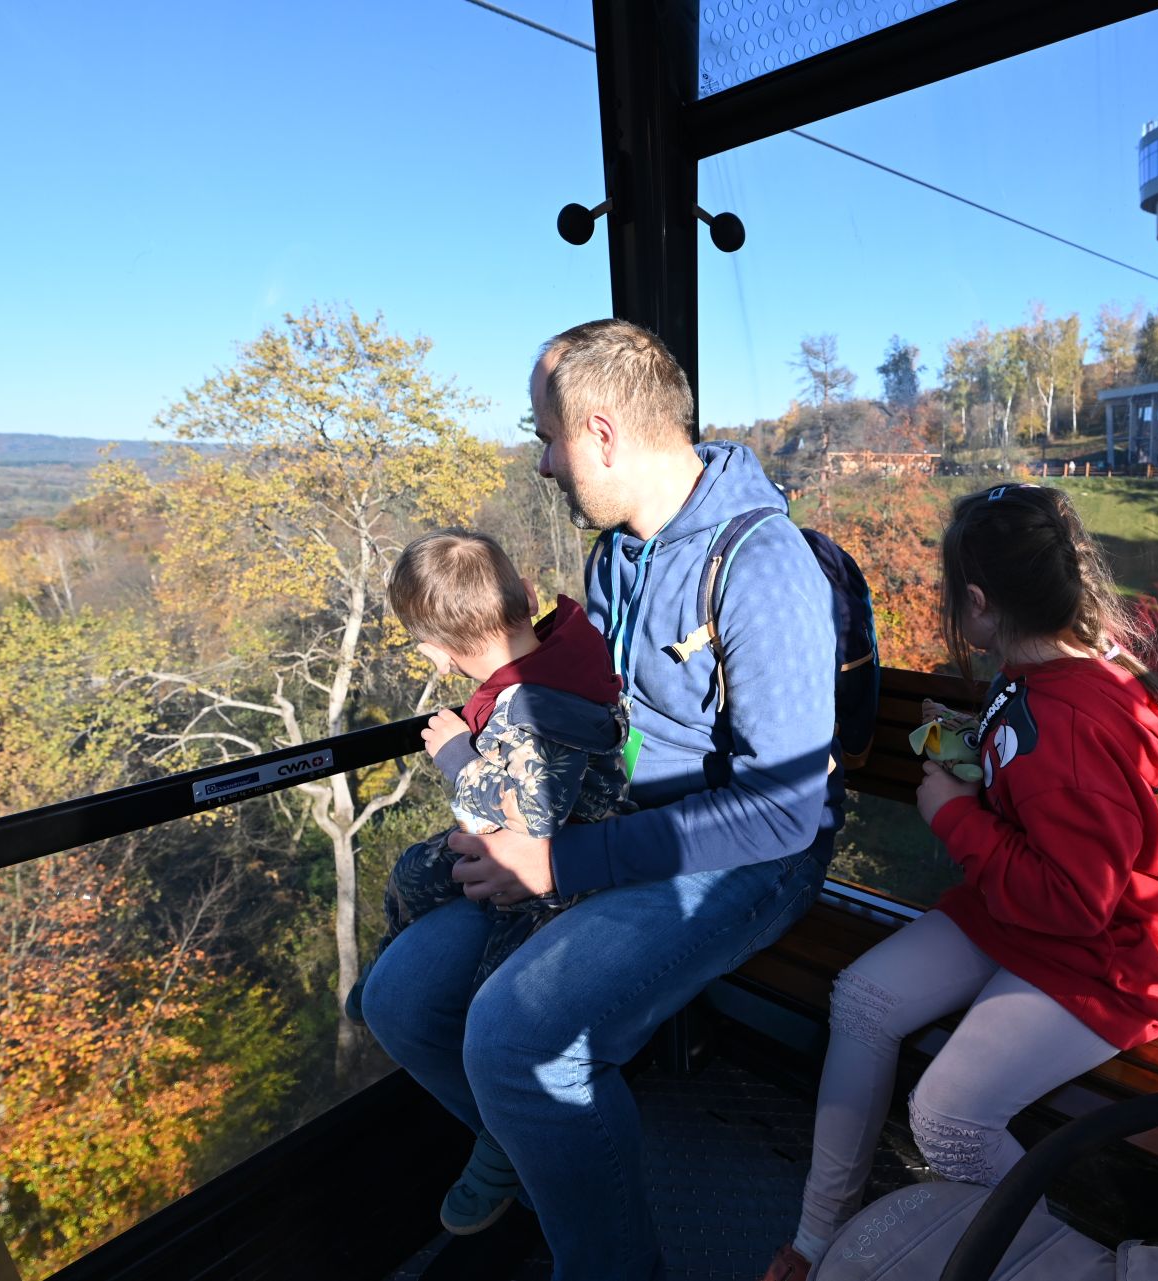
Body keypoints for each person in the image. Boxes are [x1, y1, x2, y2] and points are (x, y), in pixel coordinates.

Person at [359, 319, 839, 1280]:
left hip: (743, 861)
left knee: (516, 1036)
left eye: (547, 436)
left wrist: (554, 862)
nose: (541, 462)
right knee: (402, 998)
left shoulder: (761, 566)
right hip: (615, 836)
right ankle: (562, 1172)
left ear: (603, 432)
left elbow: (783, 812)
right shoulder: (616, 559)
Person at [761, 483, 1158, 1280]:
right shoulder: (1047, 669)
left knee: (949, 1119)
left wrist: (952, 815)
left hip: (1103, 956)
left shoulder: (1065, 733)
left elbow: (1078, 899)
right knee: (863, 998)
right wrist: (980, 743)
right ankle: (820, 1233)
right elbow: (1049, 787)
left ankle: (1093, 1268)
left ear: (978, 601)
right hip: (1020, 912)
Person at [346, 527, 632, 1235]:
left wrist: (455, 759)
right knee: (415, 870)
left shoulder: (540, 705)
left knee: (492, 1011)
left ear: (435, 654)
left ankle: (507, 1137)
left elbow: (531, 814)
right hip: (518, 848)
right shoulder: (559, 658)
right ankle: (388, 956)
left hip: (560, 872)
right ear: (526, 596)